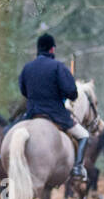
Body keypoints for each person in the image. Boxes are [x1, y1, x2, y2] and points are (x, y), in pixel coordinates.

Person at [19, 33, 89, 181]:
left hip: (31, 113)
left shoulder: (27, 68)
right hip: (56, 114)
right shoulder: (58, 67)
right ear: (52, 50)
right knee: (84, 135)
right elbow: (72, 93)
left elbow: (23, 91)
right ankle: (77, 168)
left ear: (38, 49)